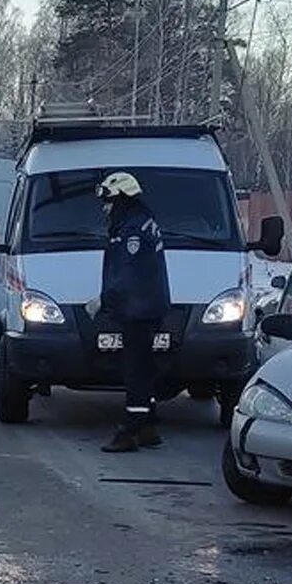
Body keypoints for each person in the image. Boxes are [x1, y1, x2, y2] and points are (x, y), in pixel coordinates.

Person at [96, 171, 171, 453]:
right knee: (146, 367)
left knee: (136, 370)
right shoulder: (139, 221)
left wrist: (104, 299)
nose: (106, 208)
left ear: (123, 198)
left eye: (110, 201)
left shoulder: (132, 230)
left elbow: (127, 272)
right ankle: (149, 426)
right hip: (147, 305)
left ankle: (130, 430)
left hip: (138, 309)